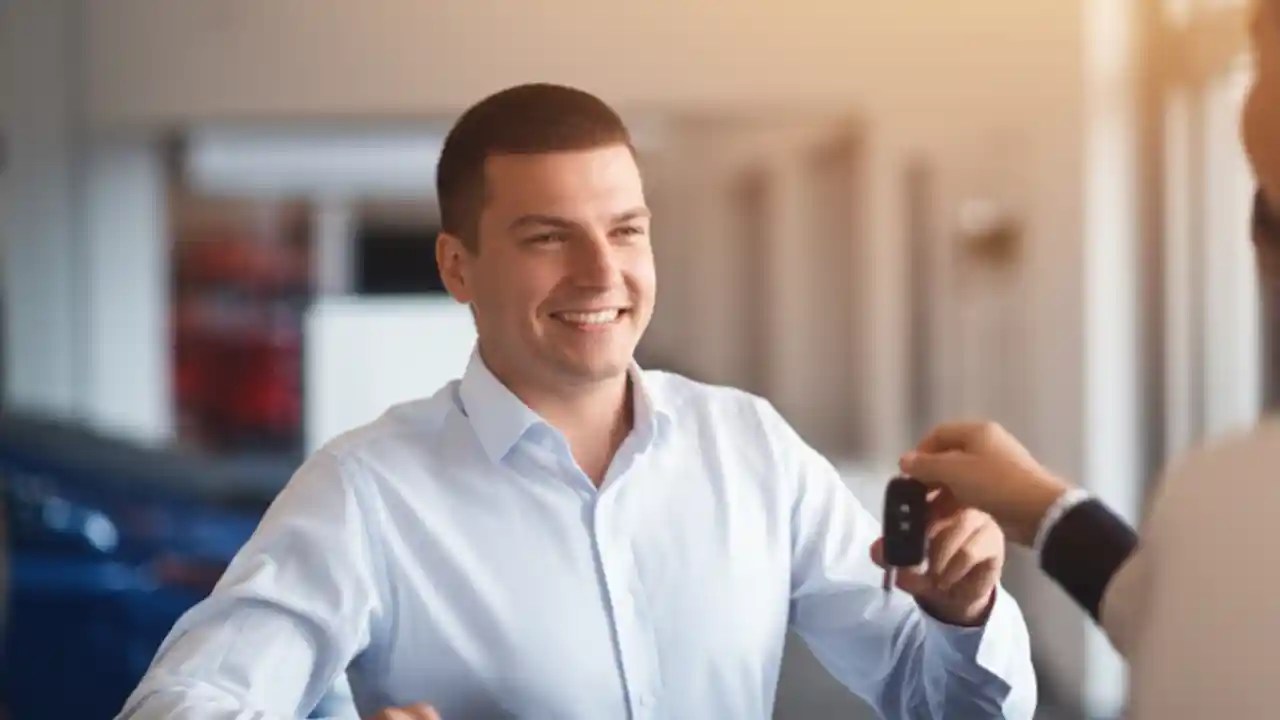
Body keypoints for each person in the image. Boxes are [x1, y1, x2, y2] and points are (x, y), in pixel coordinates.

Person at [118, 84, 1036, 719]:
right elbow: (177, 705)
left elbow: (942, 705)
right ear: (458, 268)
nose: (602, 274)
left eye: (625, 231)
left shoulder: (748, 446)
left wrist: (963, 617)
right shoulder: (367, 491)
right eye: (548, 238)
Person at [897, 4, 1280, 717]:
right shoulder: (1227, 512)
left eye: (1259, 61)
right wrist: (1043, 508)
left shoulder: (1231, 500)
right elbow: (1179, 613)